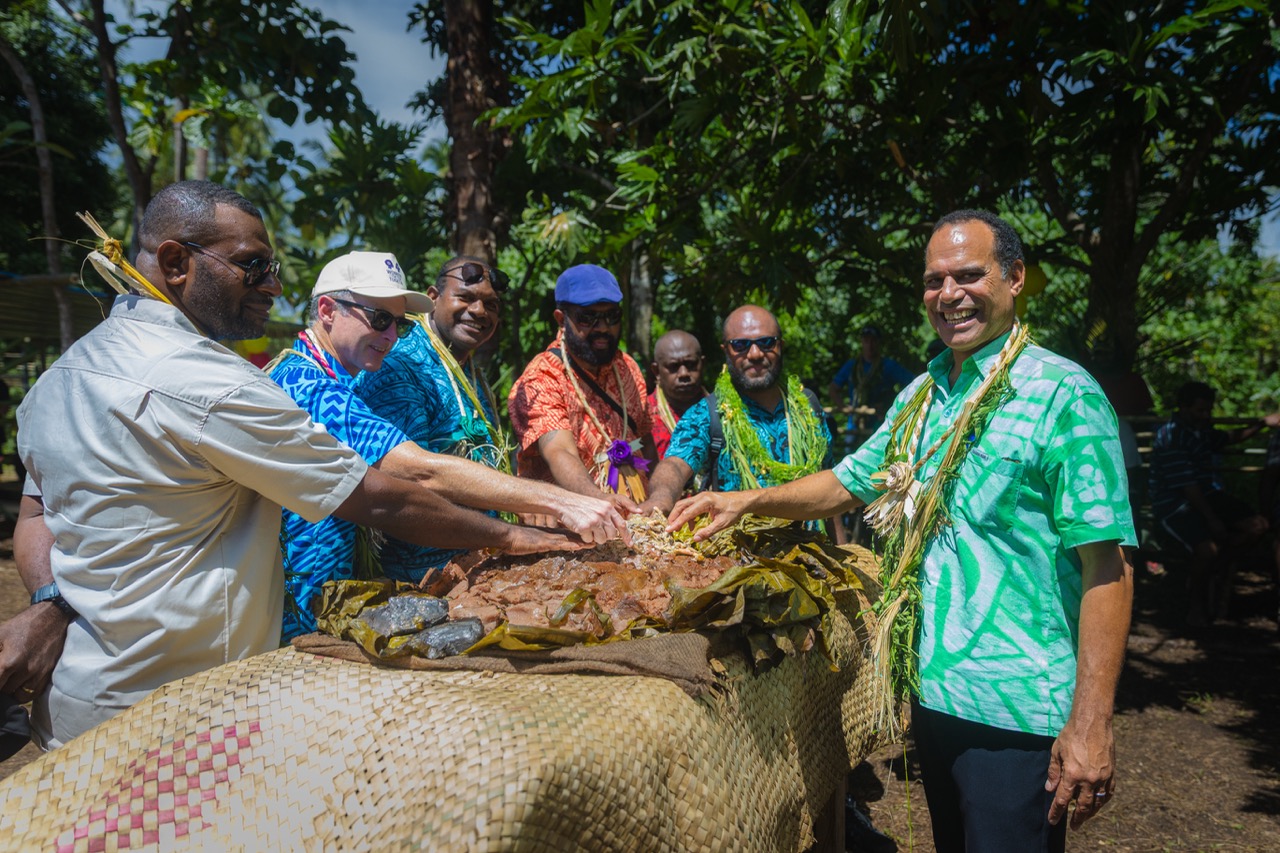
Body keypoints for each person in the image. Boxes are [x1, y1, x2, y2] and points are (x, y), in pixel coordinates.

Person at [0, 181, 581, 749]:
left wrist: (51, 601)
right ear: (176, 262)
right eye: (253, 265)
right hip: (182, 720)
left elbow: (37, 517)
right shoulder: (218, 383)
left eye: (399, 323)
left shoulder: (61, 378)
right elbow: (389, 491)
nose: (273, 285)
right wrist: (518, 533)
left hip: (80, 703)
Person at [666, 210, 1136, 850]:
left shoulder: (1062, 394)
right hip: (934, 698)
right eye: (934, 280)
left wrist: (1090, 722)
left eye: (969, 275)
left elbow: (1107, 565)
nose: (949, 295)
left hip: (1017, 709)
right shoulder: (923, 393)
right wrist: (744, 502)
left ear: (1016, 277)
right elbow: (845, 482)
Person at [347, 255, 627, 588]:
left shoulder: (467, 370)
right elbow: (414, 483)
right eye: (465, 298)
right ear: (433, 297)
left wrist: (523, 514)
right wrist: (535, 516)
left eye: (491, 304)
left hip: (475, 566)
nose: (480, 311)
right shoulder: (403, 366)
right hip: (419, 583)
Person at [641, 306, 833, 515]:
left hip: (814, 545)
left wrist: (840, 546)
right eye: (740, 345)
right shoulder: (708, 414)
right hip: (741, 546)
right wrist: (661, 498)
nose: (755, 354)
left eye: (766, 343)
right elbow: (675, 466)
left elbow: (830, 481)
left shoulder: (807, 406)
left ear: (780, 346)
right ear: (726, 351)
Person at [508, 264, 655, 505]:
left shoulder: (627, 368)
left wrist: (656, 500)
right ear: (561, 320)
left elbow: (645, 440)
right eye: (587, 318)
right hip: (571, 531)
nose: (603, 328)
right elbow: (559, 451)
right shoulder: (542, 376)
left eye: (612, 316)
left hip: (637, 526)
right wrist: (599, 501)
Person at [1147, 381, 1279, 626]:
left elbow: (1228, 438)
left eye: (1208, 411)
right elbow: (1188, 487)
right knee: (1206, 549)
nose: (1206, 416)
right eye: (1200, 410)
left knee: (1259, 525)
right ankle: (1196, 605)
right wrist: (1213, 520)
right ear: (1183, 408)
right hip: (1174, 504)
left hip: (1206, 496)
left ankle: (1209, 571)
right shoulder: (1171, 435)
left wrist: (1261, 423)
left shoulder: (1201, 430)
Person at [827, 324, 914, 444]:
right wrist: (844, 407)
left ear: (879, 343)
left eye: (873, 340)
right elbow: (833, 389)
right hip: (854, 423)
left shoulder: (888, 366)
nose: (870, 345)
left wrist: (892, 405)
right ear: (862, 342)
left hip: (880, 423)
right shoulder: (852, 366)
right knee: (849, 453)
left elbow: (913, 383)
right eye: (866, 340)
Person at [648, 329, 707, 459]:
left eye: (691, 364)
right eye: (674, 366)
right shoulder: (642, 419)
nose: (684, 373)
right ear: (656, 371)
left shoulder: (724, 411)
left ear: (702, 364)